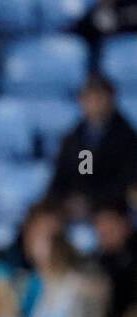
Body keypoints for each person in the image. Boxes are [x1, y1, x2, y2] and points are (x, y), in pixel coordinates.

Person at [47, 73, 137, 220]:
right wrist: (62, 202)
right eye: (89, 98)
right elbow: (62, 177)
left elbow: (127, 183)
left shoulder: (128, 139)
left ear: (111, 100)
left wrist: (92, 201)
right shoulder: (74, 138)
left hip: (113, 210)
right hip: (72, 208)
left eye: (99, 98)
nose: (94, 104)